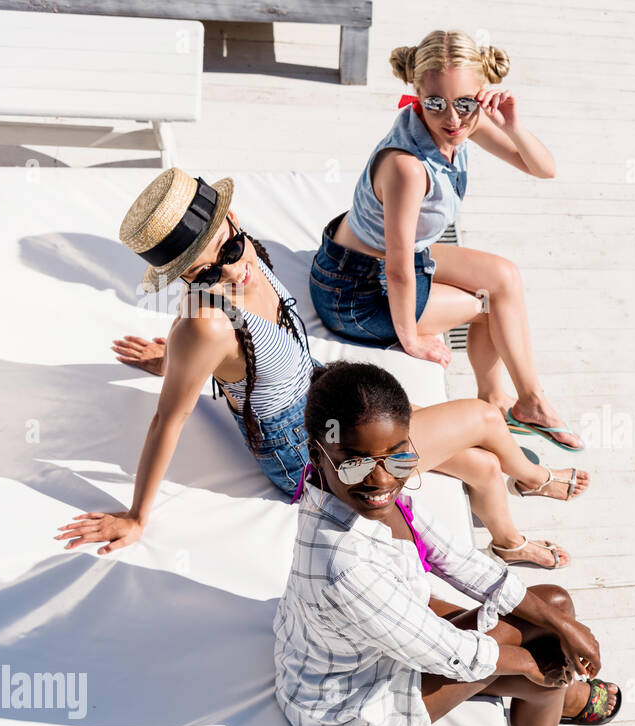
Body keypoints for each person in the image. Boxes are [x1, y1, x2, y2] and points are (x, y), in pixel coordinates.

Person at [56, 168, 585, 569]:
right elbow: (166, 422)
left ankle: (507, 545)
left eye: (231, 249)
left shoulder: (249, 258)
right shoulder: (205, 325)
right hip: (312, 461)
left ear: (234, 223)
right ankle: (537, 480)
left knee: (486, 467)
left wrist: (169, 363)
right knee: (487, 420)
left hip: (327, 394)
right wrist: (136, 515)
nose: (232, 271)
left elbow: (236, 359)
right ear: (187, 278)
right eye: (206, 273)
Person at [277, 360, 618, 726]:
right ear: (318, 452)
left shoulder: (363, 496)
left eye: (399, 456)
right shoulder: (342, 563)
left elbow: (460, 561)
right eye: (356, 464)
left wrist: (564, 627)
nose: (382, 480)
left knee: (553, 611)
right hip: (353, 701)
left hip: (380, 641)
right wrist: (537, 664)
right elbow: (451, 654)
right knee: (547, 650)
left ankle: (561, 694)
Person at [310, 29, 584, 452]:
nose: (452, 118)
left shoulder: (461, 126)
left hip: (386, 259)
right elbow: (400, 271)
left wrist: (512, 124)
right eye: (434, 102)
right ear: (417, 93)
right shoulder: (408, 167)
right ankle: (501, 402)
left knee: (505, 278)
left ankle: (523, 401)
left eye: (465, 103)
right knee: (488, 306)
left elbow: (543, 168)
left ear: (481, 95)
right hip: (356, 291)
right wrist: (411, 340)